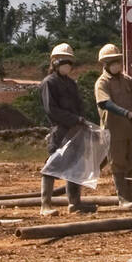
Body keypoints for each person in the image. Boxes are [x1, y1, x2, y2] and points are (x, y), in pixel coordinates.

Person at [40, 43, 94, 216]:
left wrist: (81, 121)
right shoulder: (49, 83)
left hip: (75, 130)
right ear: (54, 62)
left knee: (75, 166)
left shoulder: (71, 84)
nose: (68, 65)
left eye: (70, 62)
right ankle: (45, 205)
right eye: (64, 61)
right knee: (52, 166)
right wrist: (74, 119)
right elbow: (52, 110)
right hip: (60, 130)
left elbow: (79, 105)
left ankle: (75, 203)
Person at [94, 44, 132, 209]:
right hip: (113, 130)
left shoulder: (127, 80)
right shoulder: (102, 83)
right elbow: (105, 103)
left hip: (130, 128)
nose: (117, 64)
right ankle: (122, 198)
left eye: (118, 60)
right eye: (113, 61)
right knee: (118, 163)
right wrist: (126, 113)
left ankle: (131, 195)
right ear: (105, 64)